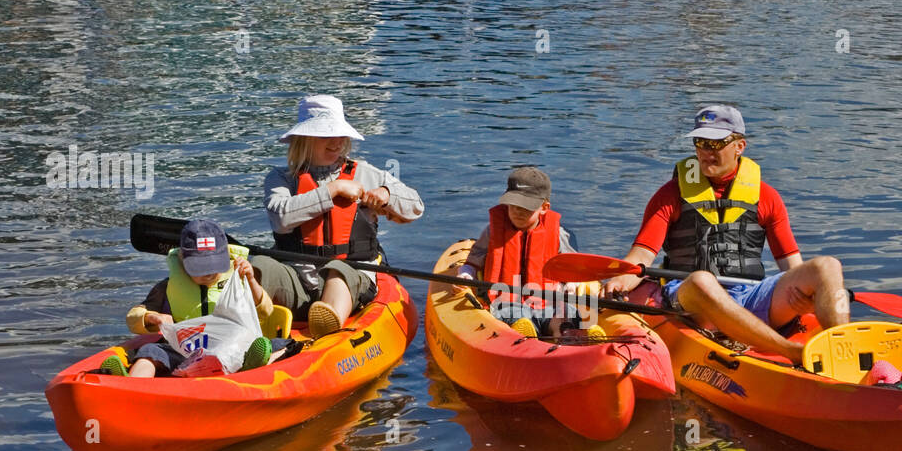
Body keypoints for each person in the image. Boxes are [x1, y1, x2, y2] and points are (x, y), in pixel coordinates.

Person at [603, 105, 849, 363]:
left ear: (739, 146)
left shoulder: (766, 196)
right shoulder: (670, 195)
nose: (706, 152)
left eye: (715, 143)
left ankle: (841, 350)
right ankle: (789, 352)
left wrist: (811, 294)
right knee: (702, 280)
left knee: (827, 266)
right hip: (692, 301)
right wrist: (620, 280)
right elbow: (642, 254)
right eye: (700, 142)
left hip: (751, 295)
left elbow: (793, 266)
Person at [253, 94, 424, 338]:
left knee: (338, 271)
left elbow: (416, 206)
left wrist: (387, 195)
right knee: (257, 266)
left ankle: (326, 329)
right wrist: (333, 190)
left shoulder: (363, 173)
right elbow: (281, 218)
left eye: (340, 136)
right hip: (297, 280)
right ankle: (252, 327)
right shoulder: (280, 179)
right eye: (326, 137)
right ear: (304, 139)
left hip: (350, 275)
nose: (336, 143)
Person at [101, 219, 295, 377]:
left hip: (234, 348)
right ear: (183, 261)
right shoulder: (168, 286)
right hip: (185, 353)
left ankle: (247, 368)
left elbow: (266, 311)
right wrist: (152, 317)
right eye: (201, 268)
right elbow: (134, 315)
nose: (209, 273)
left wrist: (251, 280)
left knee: (281, 346)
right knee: (150, 352)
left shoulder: (238, 280)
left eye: (214, 265)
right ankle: (133, 386)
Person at [454, 166, 600, 338]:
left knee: (564, 312)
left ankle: (571, 332)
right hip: (507, 298)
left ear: (544, 207)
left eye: (526, 207)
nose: (517, 211)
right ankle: (523, 331)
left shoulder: (558, 234)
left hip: (549, 300)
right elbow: (474, 260)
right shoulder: (492, 232)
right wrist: (466, 274)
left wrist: (571, 283)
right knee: (515, 313)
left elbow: (570, 266)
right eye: (513, 205)